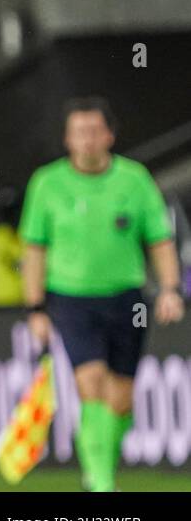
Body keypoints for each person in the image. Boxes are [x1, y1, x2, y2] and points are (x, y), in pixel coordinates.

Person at [21, 98, 185, 492]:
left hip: (126, 298)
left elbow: (160, 240)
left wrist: (170, 289)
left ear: (109, 135)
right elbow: (34, 250)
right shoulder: (47, 183)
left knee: (120, 400)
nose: (87, 140)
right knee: (90, 381)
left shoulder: (135, 179)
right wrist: (36, 308)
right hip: (71, 299)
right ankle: (102, 482)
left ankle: (98, 462)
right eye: (79, 132)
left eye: (94, 131)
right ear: (67, 138)